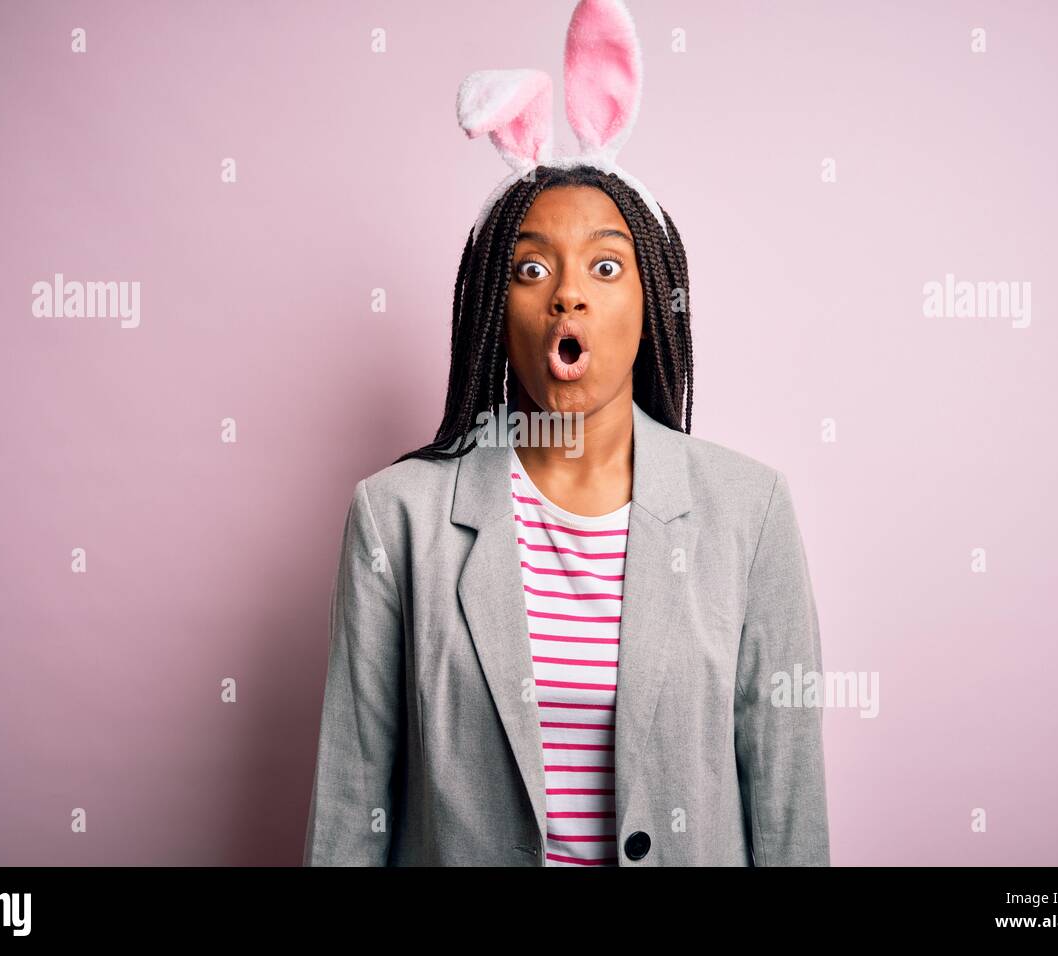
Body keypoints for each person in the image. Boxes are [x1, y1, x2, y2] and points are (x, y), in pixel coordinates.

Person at [303, 0, 830, 867]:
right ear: (490, 309)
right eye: (532, 266)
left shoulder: (751, 513)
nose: (569, 293)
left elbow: (787, 811)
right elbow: (350, 814)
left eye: (606, 265)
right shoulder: (393, 519)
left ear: (653, 300)